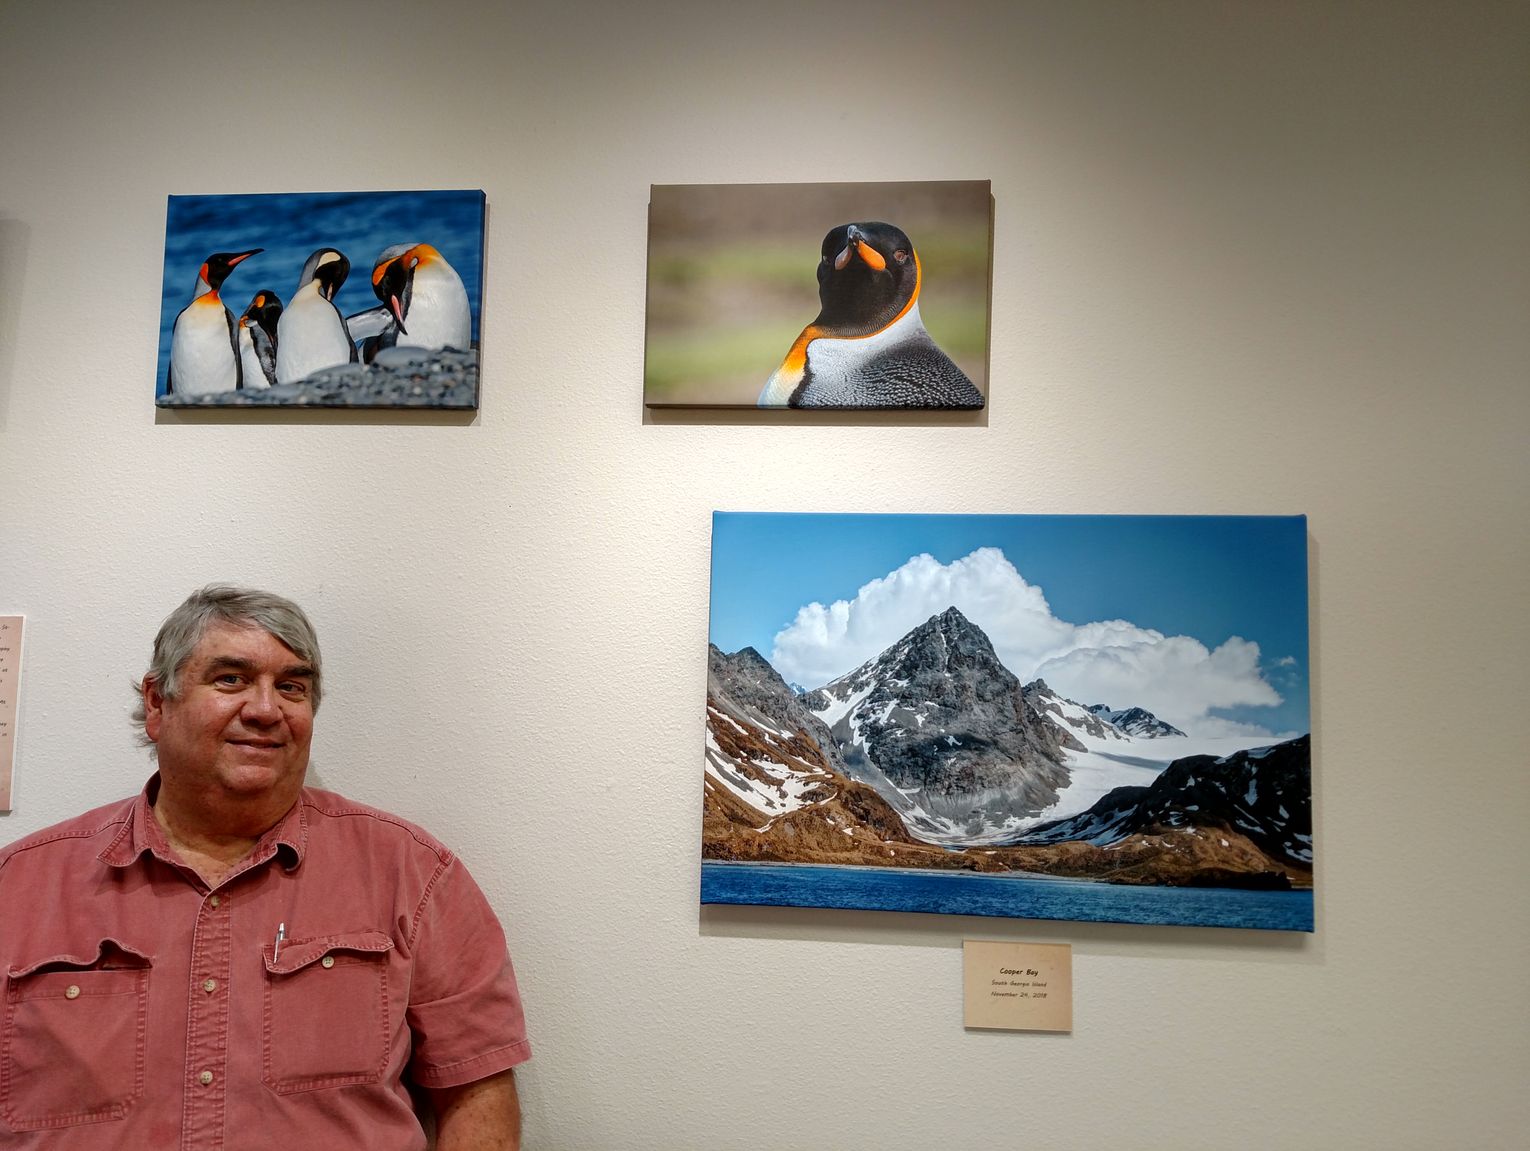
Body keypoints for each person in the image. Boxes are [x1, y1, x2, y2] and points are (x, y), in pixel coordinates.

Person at [0, 586, 530, 1149]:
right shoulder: (20, 886)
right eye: (230, 679)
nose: (265, 710)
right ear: (157, 704)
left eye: (292, 687)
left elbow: (476, 1092)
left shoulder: (413, 875)